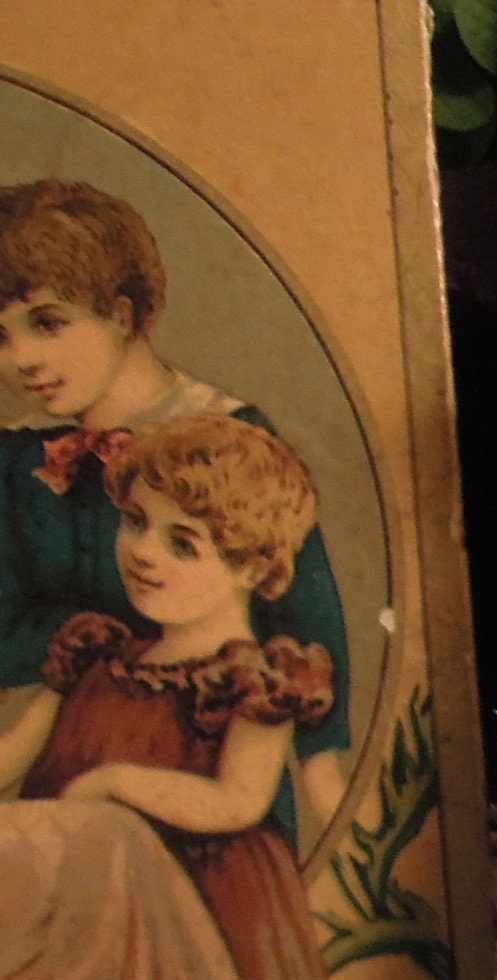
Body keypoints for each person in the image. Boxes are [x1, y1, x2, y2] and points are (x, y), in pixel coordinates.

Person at [0, 415, 351, 980]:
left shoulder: (255, 680)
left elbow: (238, 801)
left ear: (251, 565)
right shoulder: (95, 656)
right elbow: (17, 753)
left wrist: (116, 785)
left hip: (203, 914)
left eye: (181, 543)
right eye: (135, 522)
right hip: (73, 922)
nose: (143, 553)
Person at [0, 177, 350, 843]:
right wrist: (81, 653)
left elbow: (305, 624)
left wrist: (329, 791)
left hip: (207, 767)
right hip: (72, 757)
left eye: (47, 322)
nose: (22, 361)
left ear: (124, 315)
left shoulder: (232, 432)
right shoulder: (17, 460)